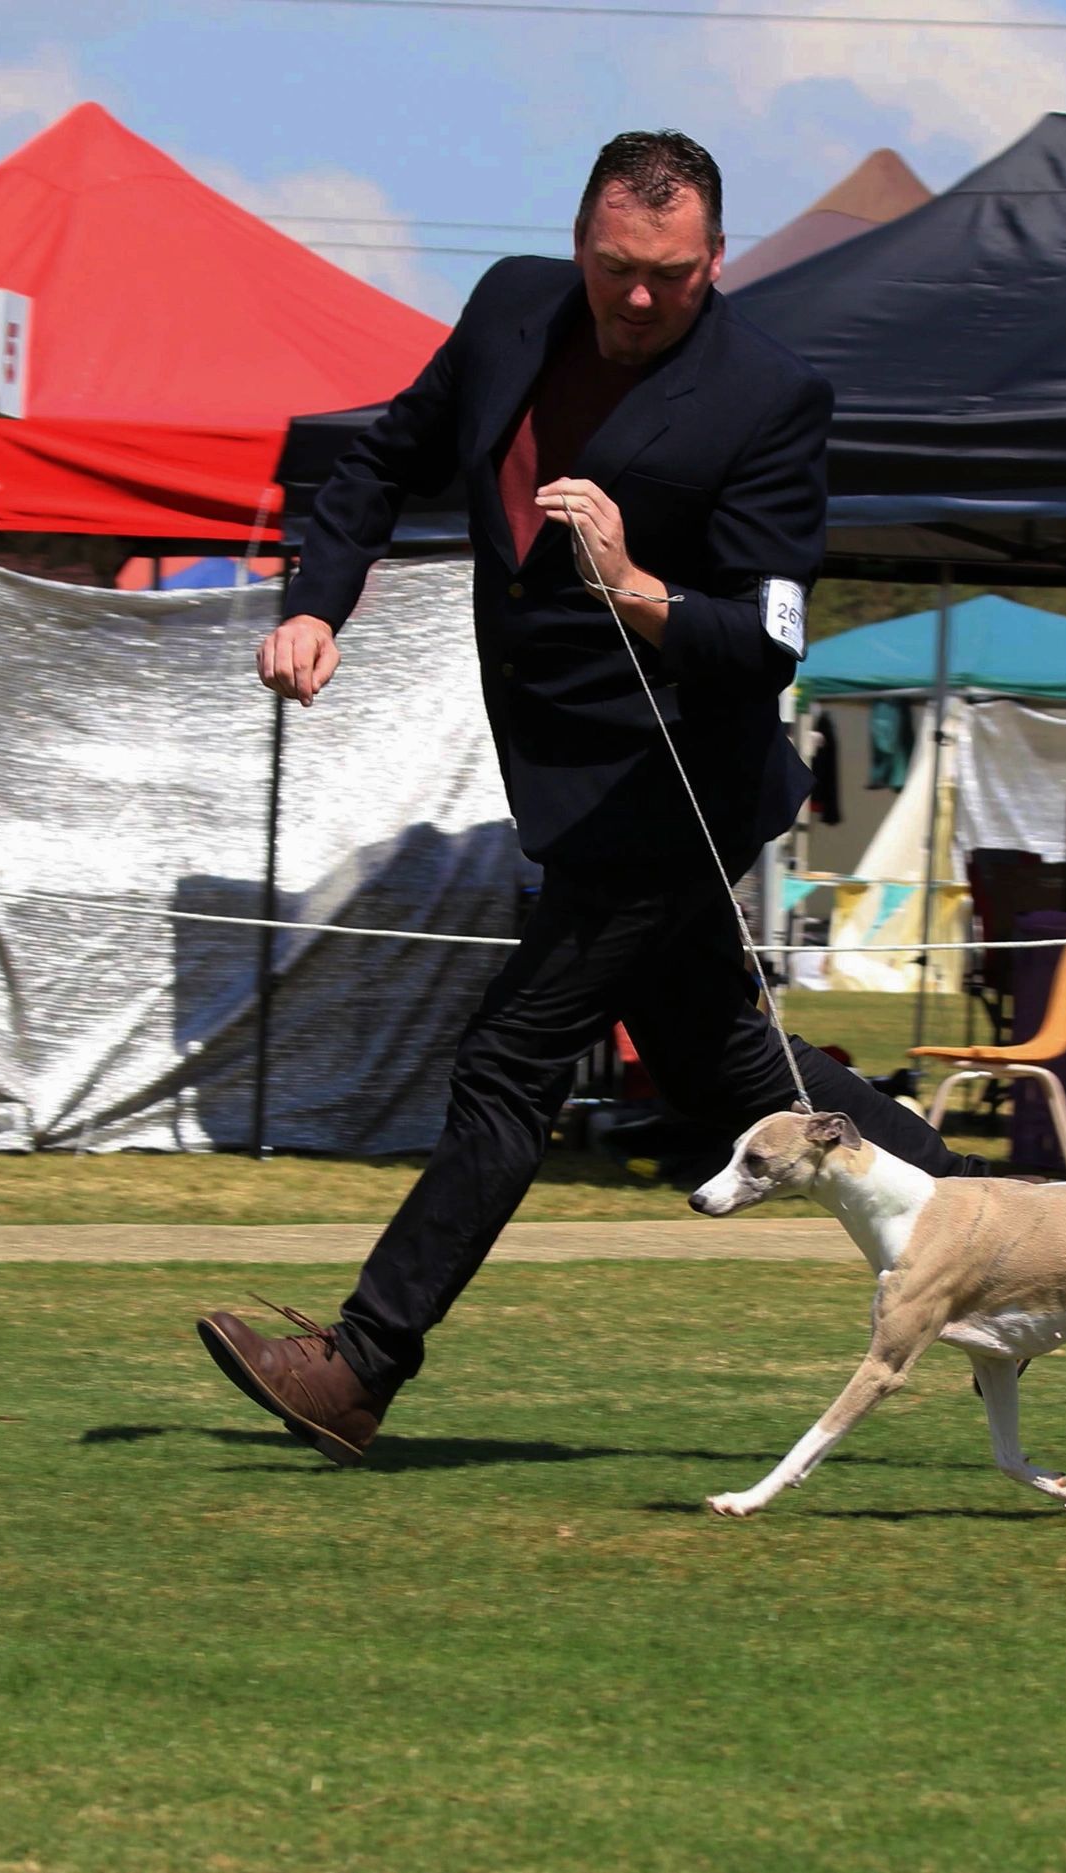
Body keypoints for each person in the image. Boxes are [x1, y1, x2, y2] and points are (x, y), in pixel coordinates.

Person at [195, 131, 993, 1466]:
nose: (640, 299)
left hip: (677, 781)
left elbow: (773, 638)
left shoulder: (768, 395)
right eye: (619, 269)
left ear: (715, 263)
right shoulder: (511, 308)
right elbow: (383, 461)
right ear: (579, 246)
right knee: (726, 1069)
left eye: (671, 278)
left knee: (511, 1059)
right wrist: (317, 602)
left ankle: (360, 1365)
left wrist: (639, 586)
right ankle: (1014, 1229)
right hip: (565, 773)